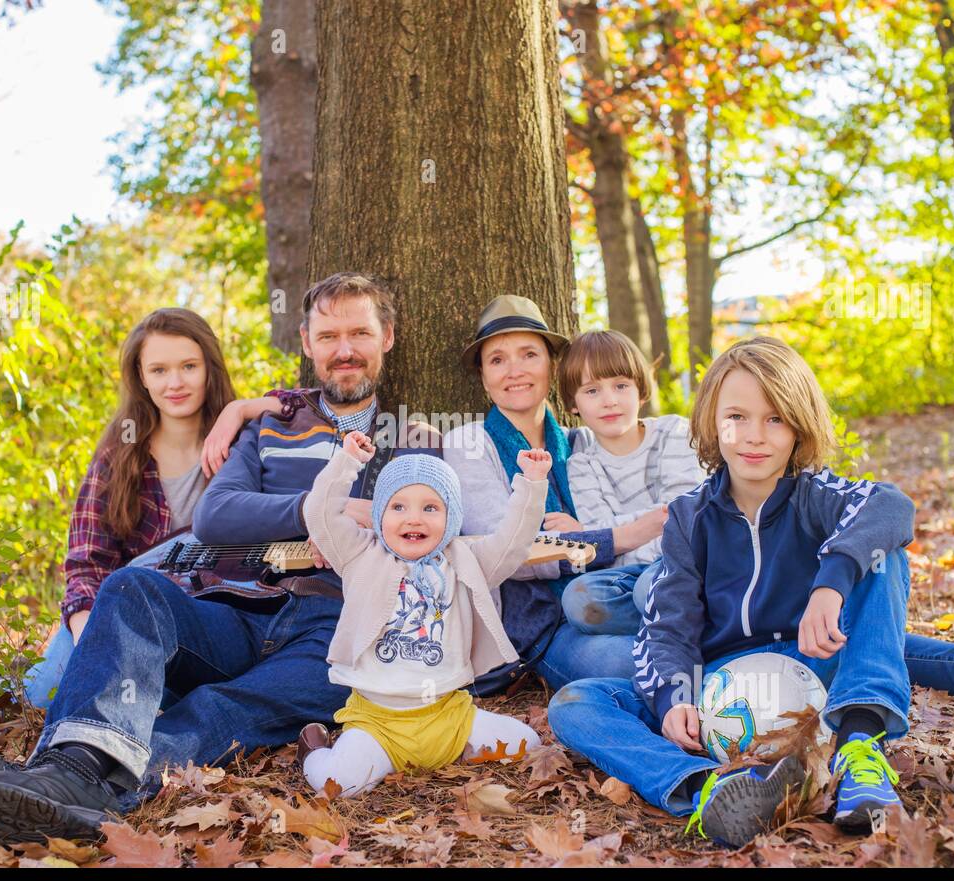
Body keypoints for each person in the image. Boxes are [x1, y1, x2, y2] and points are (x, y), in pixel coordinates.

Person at [0, 273, 439, 842]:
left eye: (359, 332)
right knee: (130, 589)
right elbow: (220, 516)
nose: (344, 350)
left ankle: (48, 785)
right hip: (238, 605)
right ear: (307, 344)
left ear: (387, 338)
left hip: (338, 633)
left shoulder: (410, 439)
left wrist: (345, 518)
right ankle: (52, 782)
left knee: (221, 707)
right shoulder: (268, 425)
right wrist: (333, 509)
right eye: (328, 335)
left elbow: (417, 534)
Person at [548, 336, 954, 848]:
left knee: (882, 552)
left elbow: (893, 506)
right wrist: (673, 695)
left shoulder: (815, 496)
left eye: (775, 419)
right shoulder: (690, 519)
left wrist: (833, 579)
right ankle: (705, 788)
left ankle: (859, 749)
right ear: (712, 422)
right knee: (577, 703)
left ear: (799, 428)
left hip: (814, 662)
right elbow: (668, 627)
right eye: (737, 418)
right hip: (724, 683)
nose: (755, 436)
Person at [21, 308, 298, 708]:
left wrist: (239, 409)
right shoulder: (120, 454)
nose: (175, 383)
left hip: (207, 625)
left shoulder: (247, 443)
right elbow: (86, 564)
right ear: (141, 377)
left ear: (209, 368)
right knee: (41, 694)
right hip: (118, 613)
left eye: (189, 366)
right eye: (159, 370)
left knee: (150, 702)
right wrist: (91, 641)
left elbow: (303, 406)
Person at [295, 432, 548, 796]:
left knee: (526, 742)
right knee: (340, 784)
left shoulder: (467, 562)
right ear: (379, 514)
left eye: (431, 508)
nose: (414, 519)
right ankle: (315, 752)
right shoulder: (358, 555)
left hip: (448, 716)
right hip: (378, 725)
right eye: (398, 507)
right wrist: (347, 462)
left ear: (453, 517)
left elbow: (514, 541)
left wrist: (532, 485)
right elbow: (319, 514)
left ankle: (448, 754)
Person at [442, 295, 667, 694]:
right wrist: (619, 537)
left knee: (677, 644)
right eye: (497, 360)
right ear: (483, 376)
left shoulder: (580, 442)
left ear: (551, 365)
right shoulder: (469, 443)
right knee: (641, 665)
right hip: (545, 624)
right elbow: (506, 552)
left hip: (615, 593)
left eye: (529, 354)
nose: (514, 371)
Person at [558, 329, 706, 637]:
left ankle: (674, 630)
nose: (609, 401)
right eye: (592, 391)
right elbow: (606, 550)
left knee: (647, 590)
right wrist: (609, 534)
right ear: (573, 404)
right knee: (577, 598)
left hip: (691, 562)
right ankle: (679, 629)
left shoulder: (673, 434)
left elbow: (681, 517)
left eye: (621, 385)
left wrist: (589, 533)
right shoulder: (581, 466)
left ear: (640, 389)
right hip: (629, 576)